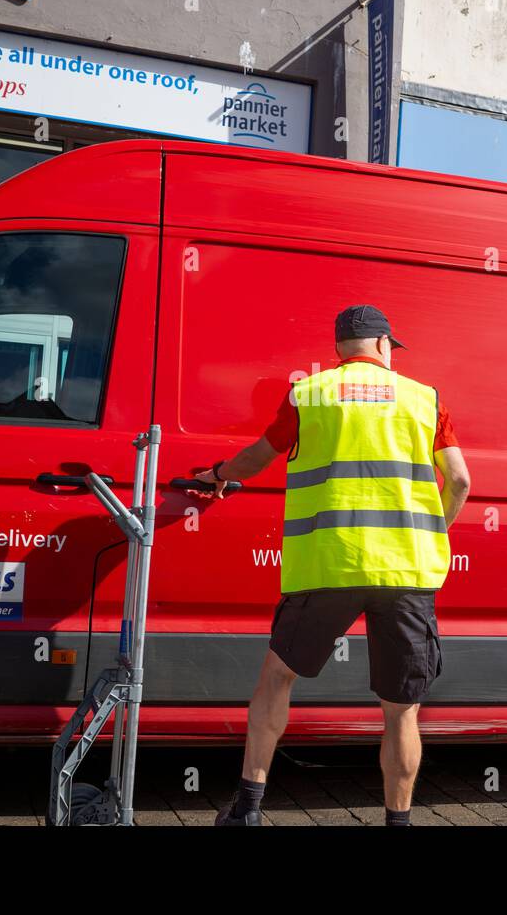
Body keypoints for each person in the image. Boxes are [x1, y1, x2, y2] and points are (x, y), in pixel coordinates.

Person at [188, 305, 471, 826]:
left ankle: (247, 809)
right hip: (403, 573)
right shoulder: (424, 398)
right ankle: (397, 821)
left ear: (340, 349)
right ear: (385, 345)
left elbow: (257, 457)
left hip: (327, 565)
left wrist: (216, 475)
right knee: (401, 710)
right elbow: (459, 481)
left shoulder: (309, 394)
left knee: (277, 678)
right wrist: (431, 532)